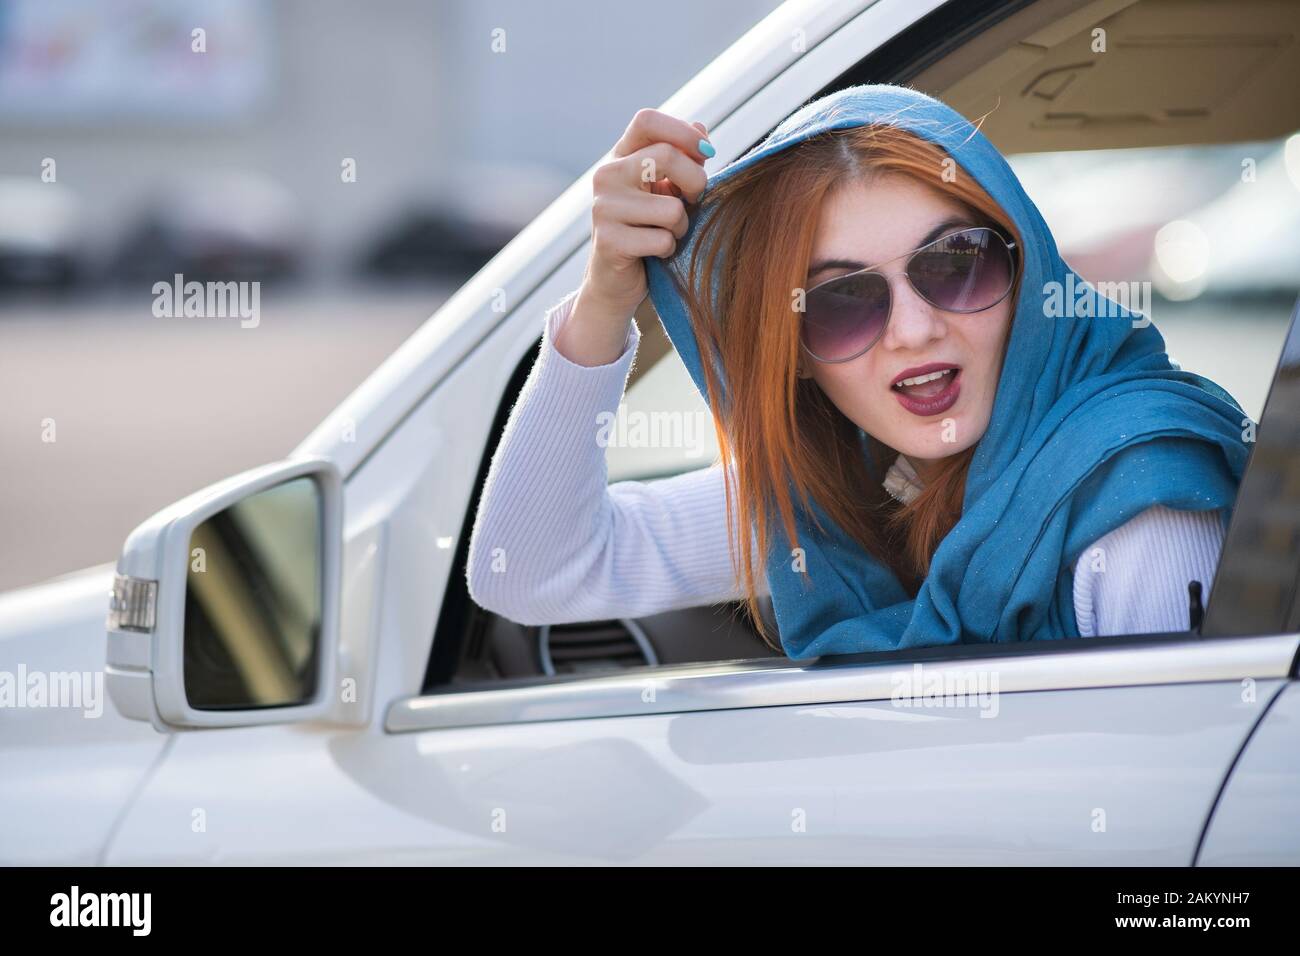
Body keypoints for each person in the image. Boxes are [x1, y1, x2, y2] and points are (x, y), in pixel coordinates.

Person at [467, 84, 1248, 660]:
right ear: (796, 357)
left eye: (958, 265)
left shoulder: (1140, 503)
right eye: (843, 302)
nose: (914, 329)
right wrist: (605, 297)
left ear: (1029, 271)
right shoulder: (848, 491)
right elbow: (527, 571)